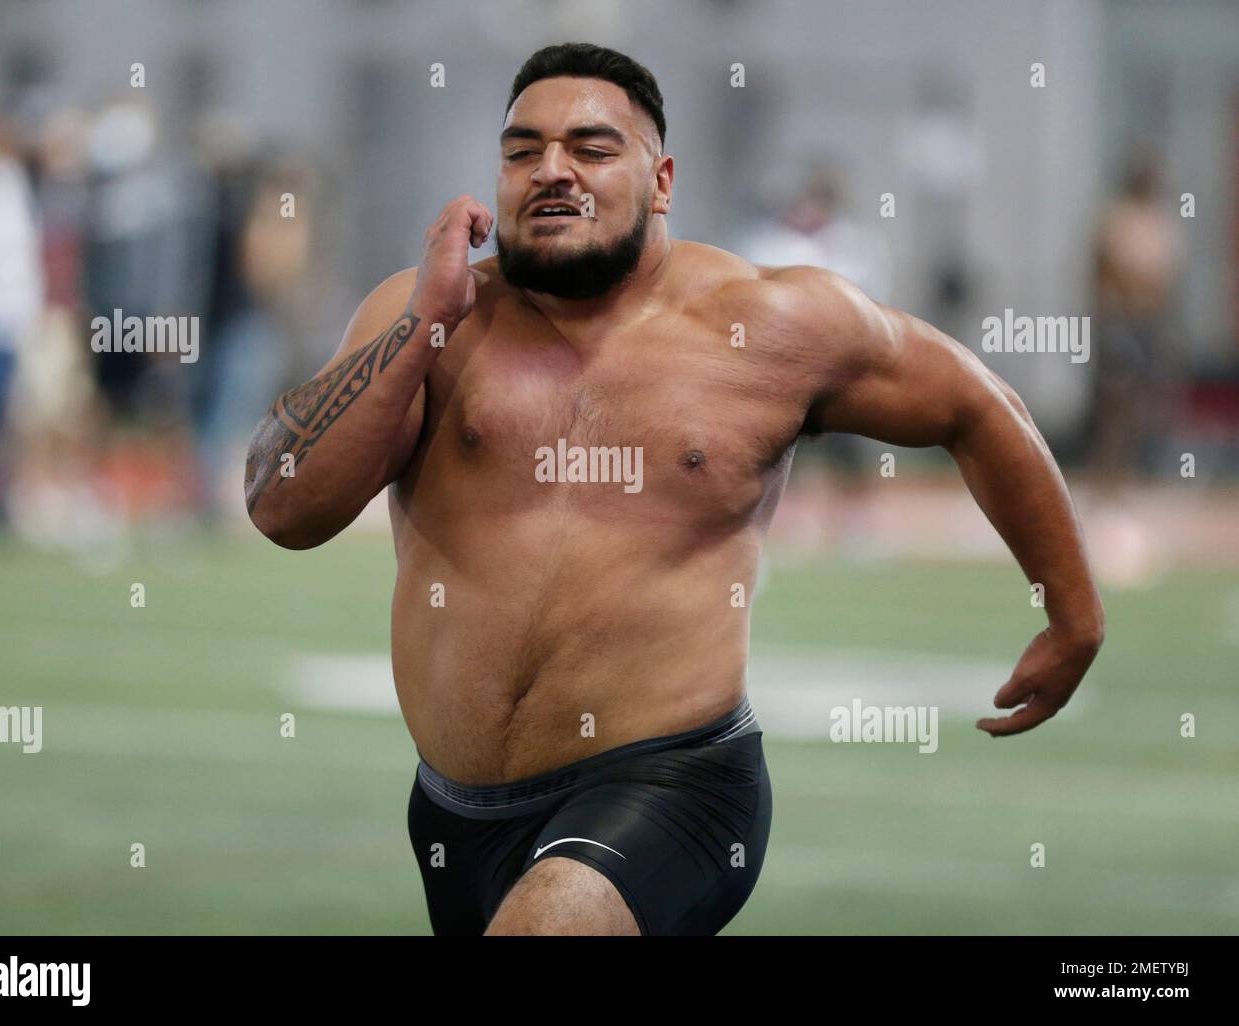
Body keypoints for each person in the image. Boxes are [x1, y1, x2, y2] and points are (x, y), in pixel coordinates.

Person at [244, 43, 1105, 936]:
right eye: (522, 150)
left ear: (660, 181)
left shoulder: (772, 322)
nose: (552, 171)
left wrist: (1072, 613)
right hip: (454, 814)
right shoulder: (428, 314)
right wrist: (423, 324)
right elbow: (284, 509)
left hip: (670, 785)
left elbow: (980, 407)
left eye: (591, 147)